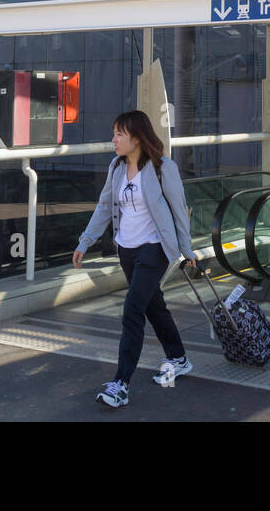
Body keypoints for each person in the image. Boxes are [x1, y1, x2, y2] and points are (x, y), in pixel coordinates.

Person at [72, 110, 202, 408]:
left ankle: (120, 384)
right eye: (114, 133)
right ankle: (178, 358)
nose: (114, 140)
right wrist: (85, 241)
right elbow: (105, 206)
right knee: (153, 306)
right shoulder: (116, 167)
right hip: (126, 249)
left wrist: (187, 249)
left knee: (133, 309)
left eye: (119, 134)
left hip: (154, 249)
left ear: (137, 137)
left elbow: (179, 209)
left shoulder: (161, 168)